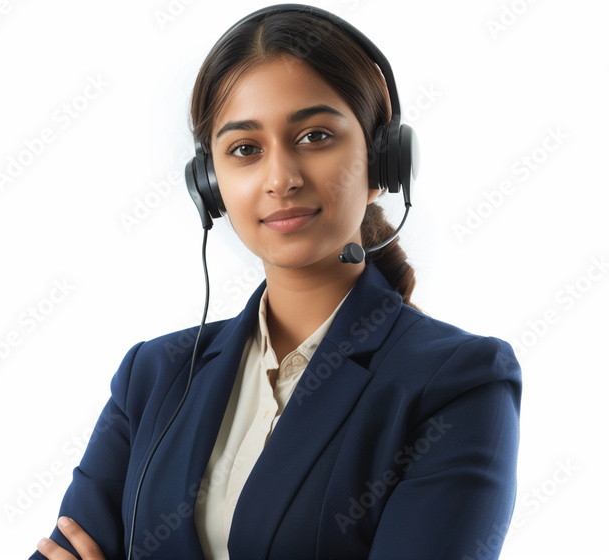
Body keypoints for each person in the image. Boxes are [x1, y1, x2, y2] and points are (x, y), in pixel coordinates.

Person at [31, 4, 521, 559]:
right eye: (245, 149)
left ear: (381, 163)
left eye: (314, 136)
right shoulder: (153, 377)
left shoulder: (457, 382)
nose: (281, 178)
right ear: (210, 184)